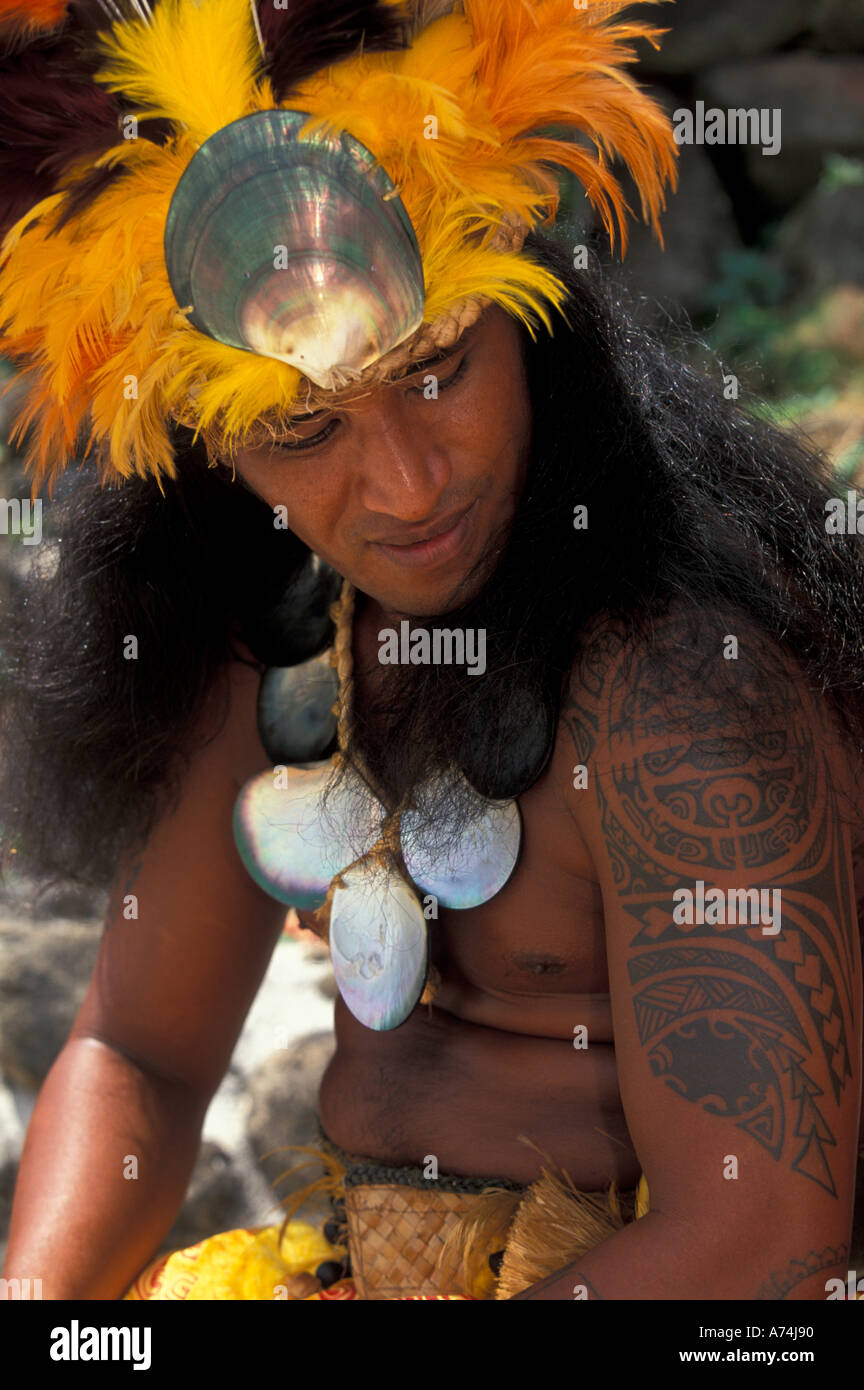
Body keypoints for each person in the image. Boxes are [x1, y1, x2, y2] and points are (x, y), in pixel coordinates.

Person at [0, 0, 862, 1302]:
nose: (405, 486)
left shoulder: (678, 688)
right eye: (303, 432)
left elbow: (764, 1234)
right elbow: (139, 1051)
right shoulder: (286, 637)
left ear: (524, 297)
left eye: (439, 367)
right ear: (203, 443)